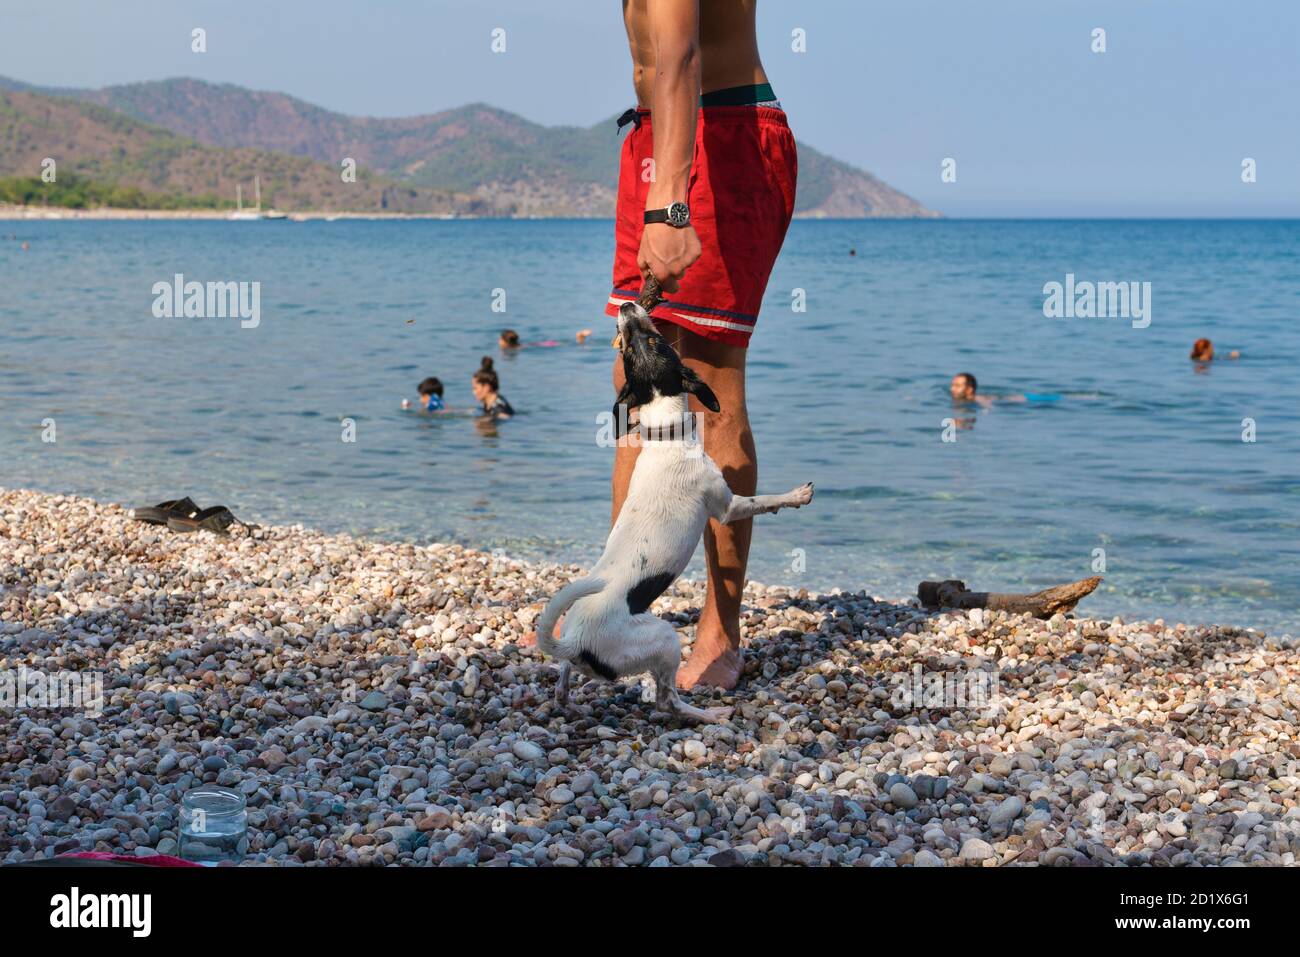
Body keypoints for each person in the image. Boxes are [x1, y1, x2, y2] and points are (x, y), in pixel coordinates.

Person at [603, 0, 798, 690]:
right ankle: (617, 608)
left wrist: (671, 206)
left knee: (712, 390)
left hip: (720, 146)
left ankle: (721, 630)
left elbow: (681, 55)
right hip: (665, 144)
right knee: (639, 390)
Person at [950, 372, 1061, 407]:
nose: (952, 389)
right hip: (1014, 398)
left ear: (969, 390)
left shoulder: (977, 399)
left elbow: (987, 405)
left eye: (957, 386)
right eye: (953, 385)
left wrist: (987, 411)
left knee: (1063, 398)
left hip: (1023, 399)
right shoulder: (966, 400)